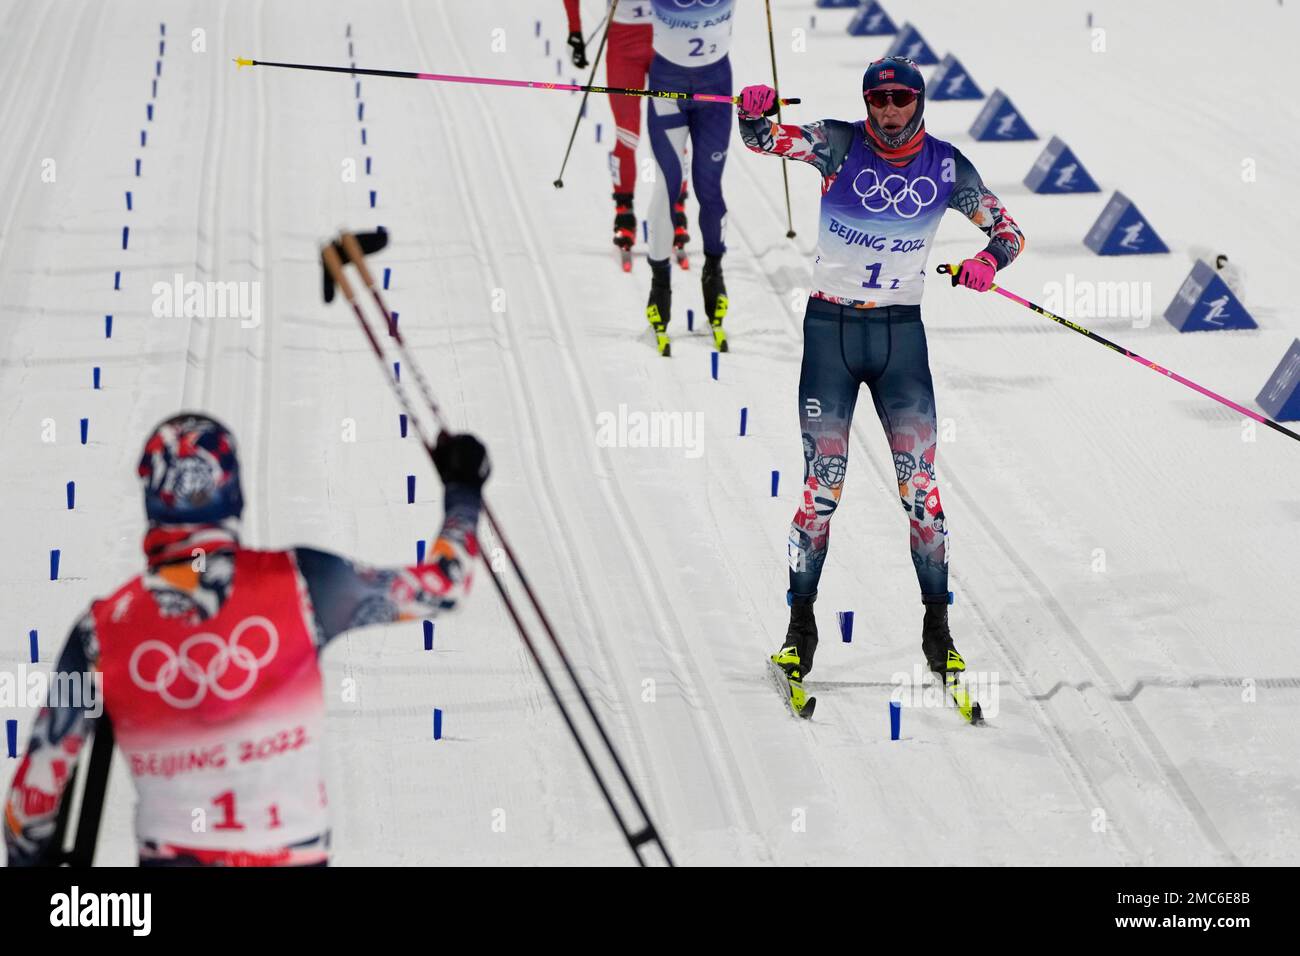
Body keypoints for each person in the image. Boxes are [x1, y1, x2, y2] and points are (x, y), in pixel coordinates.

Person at [4, 413, 489, 866]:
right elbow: (443, 587)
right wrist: (463, 490)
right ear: (235, 494)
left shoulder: (100, 631)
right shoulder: (302, 582)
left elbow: (33, 800)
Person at [735, 57, 1026, 709]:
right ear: (866, 103)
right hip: (830, 335)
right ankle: (799, 634)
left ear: (918, 101)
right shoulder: (838, 143)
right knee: (823, 488)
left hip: (899, 340)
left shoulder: (948, 167)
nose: (888, 111)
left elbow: (1008, 231)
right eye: (878, 100)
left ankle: (938, 635)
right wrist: (752, 111)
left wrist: (985, 262)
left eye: (900, 99)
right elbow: (763, 140)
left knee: (921, 493)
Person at [563, 1, 691, 263]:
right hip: (624, 44)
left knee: (673, 132)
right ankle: (624, 211)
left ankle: (676, 211)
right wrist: (575, 31)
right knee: (627, 133)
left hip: (667, 41)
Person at [643, 0, 736, 356]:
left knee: (709, 189)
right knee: (668, 187)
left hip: (716, 85)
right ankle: (659, 286)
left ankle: (714, 273)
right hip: (667, 83)